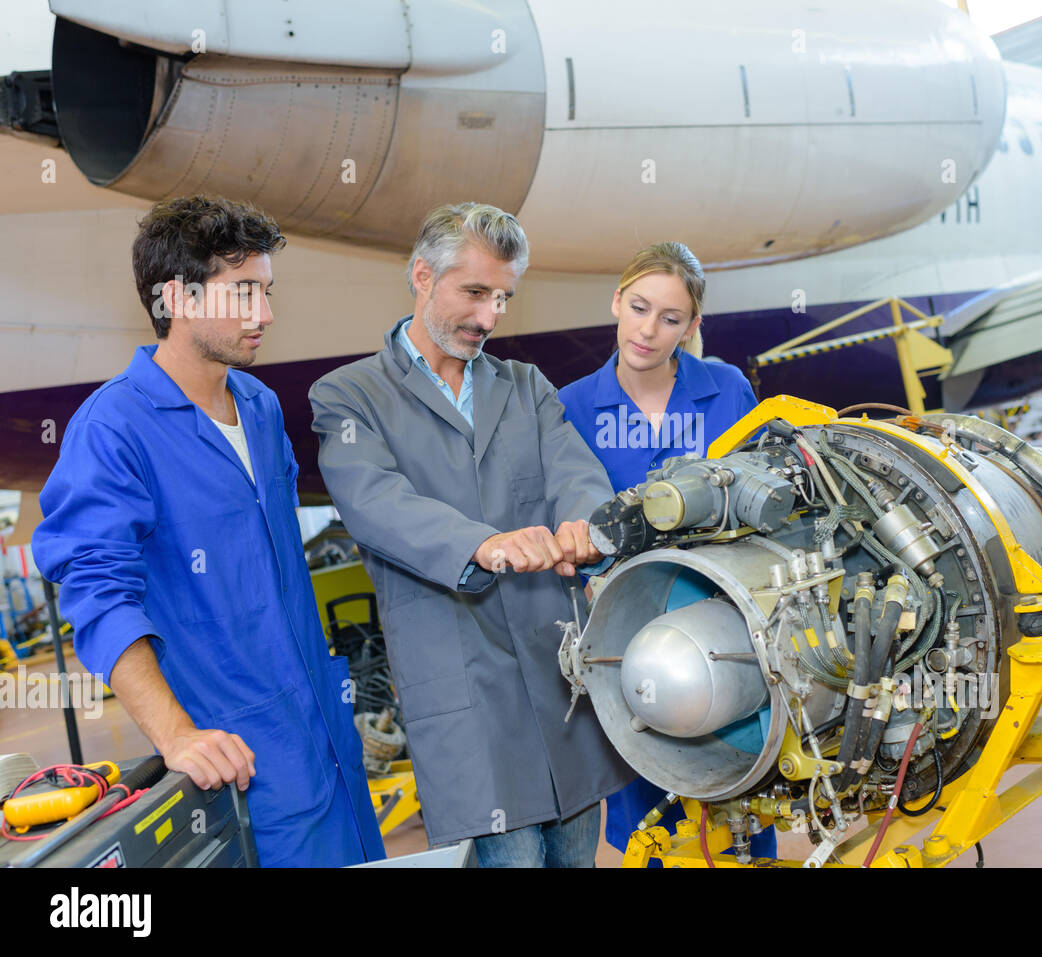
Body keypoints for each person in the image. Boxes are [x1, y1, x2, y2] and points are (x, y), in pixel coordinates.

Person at [32, 195, 384, 867]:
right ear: (178, 298)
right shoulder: (113, 429)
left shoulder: (259, 406)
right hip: (245, 767)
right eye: (245, 291)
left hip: (328, 747)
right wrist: (176, 734)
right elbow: (98, 596)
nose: (267, 314)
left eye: (267, 290)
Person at [308, 201, 635, 868]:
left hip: (558, 677)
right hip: (464, 695)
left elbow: (577, 472)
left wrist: (585, 524)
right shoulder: (349, 397)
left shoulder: (524, 386)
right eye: (476, 292)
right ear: (423, 277)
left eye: (504, 298)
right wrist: (483, 543)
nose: (489, 318)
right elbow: (377, 501)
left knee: (576, 855)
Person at [555, 241, 776, 860]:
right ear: (617, 303)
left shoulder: (728, 389)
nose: (648, 331)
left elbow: (765, 494)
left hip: (728, 624)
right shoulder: (571, 405)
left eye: (671, 318)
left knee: (740, 792)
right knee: (647, 809)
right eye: (639, 308)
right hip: (627, 634)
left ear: (692, 326)